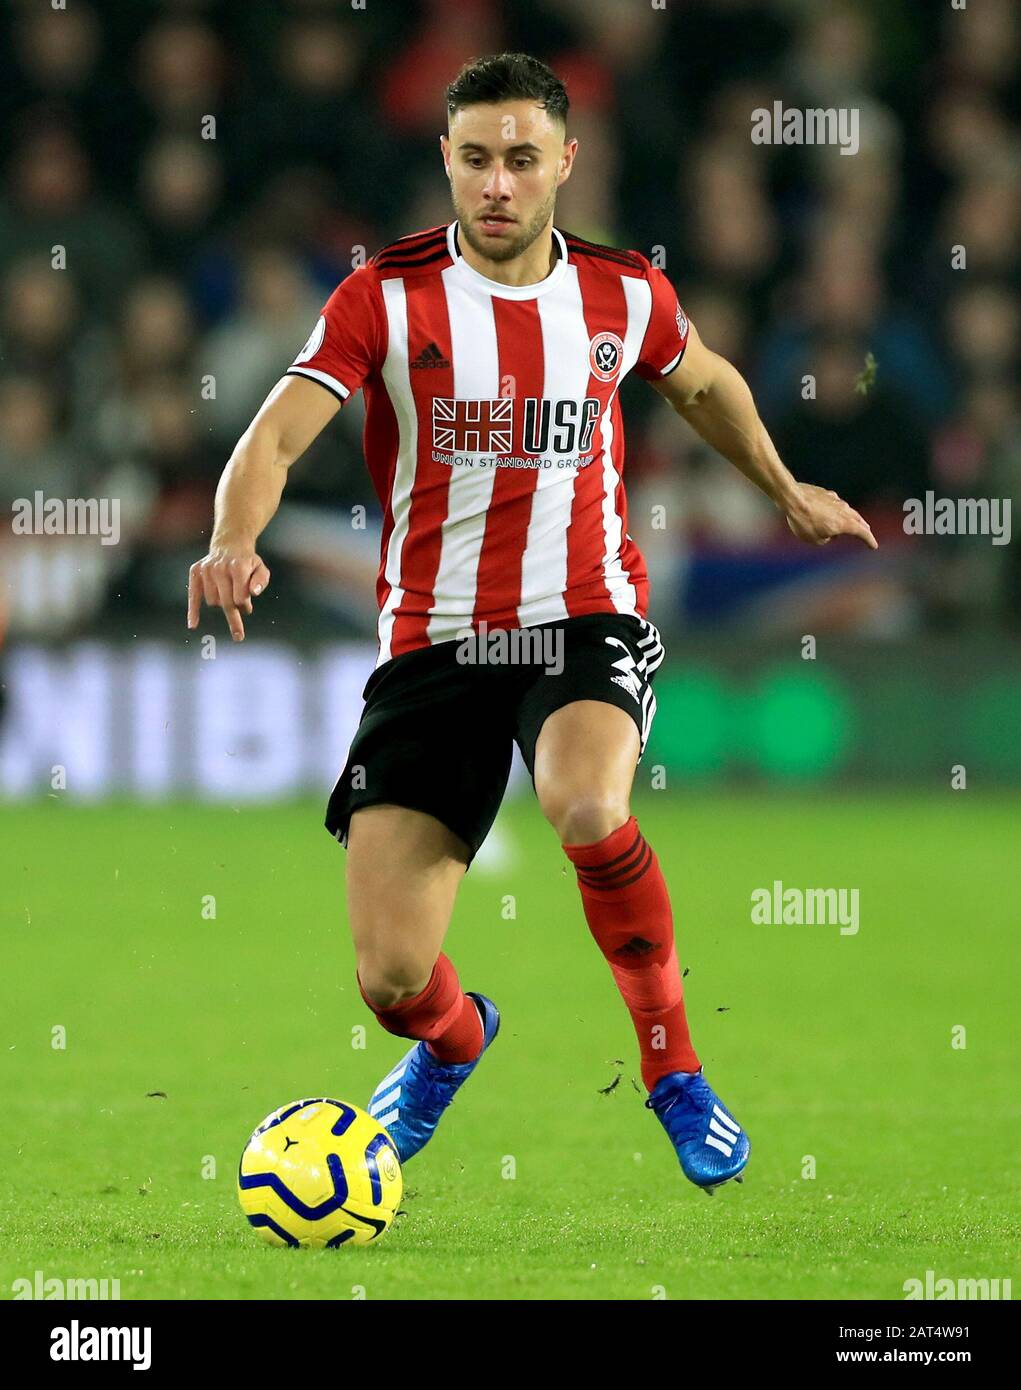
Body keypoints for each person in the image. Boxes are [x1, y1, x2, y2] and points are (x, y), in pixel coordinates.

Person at [187, 53, 876, 1194]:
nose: (495, 185)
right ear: (444, 162)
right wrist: (232, 536)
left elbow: (701, 383)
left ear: (565, 161)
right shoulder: (385, 296)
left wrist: (784, 487)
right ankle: (457, 1044)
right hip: (433, 642)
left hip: (581, 613)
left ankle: (673, 1072)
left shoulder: (621, 293)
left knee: (587, 803)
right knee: (392, 980)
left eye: (518, 159)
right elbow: (271, 436)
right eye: (473, 160)